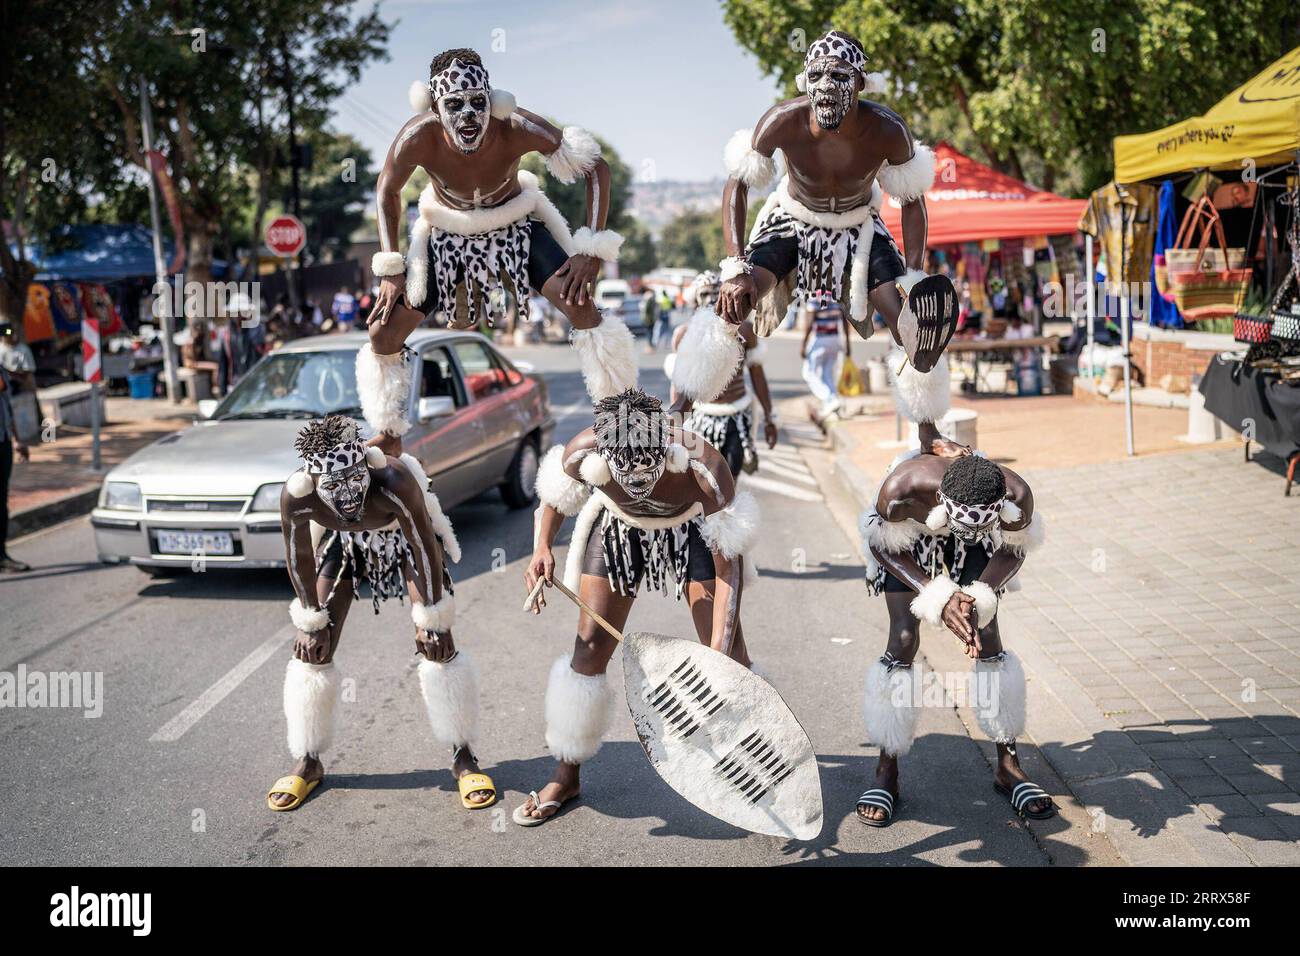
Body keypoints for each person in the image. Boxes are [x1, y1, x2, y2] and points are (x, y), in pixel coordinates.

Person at [698, 30, 960, 455]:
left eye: (839, 75)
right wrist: (735, 264)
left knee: (911, 323)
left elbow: (912, 199)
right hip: (793, 219)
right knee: (737, 299)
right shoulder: (782, 120)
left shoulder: (887, 129)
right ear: (805, 82)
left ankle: (929, 431)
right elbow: (738, 183)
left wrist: (913, 275)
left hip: (859, 225)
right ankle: (682, 403)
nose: (826, 86)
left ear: (860, 82)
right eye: (816, 75)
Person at [518, 387, 761, 825]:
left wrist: (721, 656)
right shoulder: (583, 452)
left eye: (645, 467)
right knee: (588, 649)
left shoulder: (702, 464)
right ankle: (567, 771)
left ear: (665, 450)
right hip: (618, 527)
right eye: (622, 468)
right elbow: (555, 498)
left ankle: (748, 767)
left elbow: (730, 567)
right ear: (603, 455)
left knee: (730, 656)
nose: (635, 479)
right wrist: (541, 548)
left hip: (691, 530)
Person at [370, 47, 636, 403]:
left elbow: (595, 167)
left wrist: (591, 248)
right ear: (434, 107)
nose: (468, 116)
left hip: (516, 227)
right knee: (383, 334)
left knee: (582, 307)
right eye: (454, 106)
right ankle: (390, 431)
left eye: (478, 103)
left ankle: (621, 408)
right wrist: (391, 267)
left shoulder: (516, 127)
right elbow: (387, 190)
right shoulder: (417, 137)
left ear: (493, 101)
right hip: (449, 234)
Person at [267, 415, 493, 812]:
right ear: (313, 484)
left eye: (356, 479)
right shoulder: (297, 496)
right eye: (334, 486)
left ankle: (463, 756)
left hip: (405, 540)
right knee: (310, 650)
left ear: (367, 466)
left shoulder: (394, 481)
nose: (350, 493)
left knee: (438, 643)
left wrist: (433, 617)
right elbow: (299, 554)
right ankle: (308, 759)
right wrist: (310, 618)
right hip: (344, 544)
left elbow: (422, 545)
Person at [856, 451, 1053, 826]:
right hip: (906, 534)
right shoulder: (902, 489)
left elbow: (1014, 548)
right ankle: (887, 770)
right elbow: (880, 544)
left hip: (978, 523)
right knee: (901, 637)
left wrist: (979, 595)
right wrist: (938, 596)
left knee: (989, 631)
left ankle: (1008, 766)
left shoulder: (1017, 496)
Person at [670, 271, 777, 477]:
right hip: (701, 417)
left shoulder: (745, 331)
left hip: (737, 415)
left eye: (716, 293)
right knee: (702, 480)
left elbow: (757, 375)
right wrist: (677, 429)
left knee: (730, 475)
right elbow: (679, 385)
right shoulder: (683, 335)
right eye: (705, 294)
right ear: (694, 302)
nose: (711, 299)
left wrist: (770, 418)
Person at [0, 359, 31, 573]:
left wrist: (18, 440)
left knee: (1, 502)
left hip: (3, 442)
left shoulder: (1, 370)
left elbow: (7, 408)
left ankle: (1, 556)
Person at [800, 294, 850, 418]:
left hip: (820, 339)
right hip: (835, 339)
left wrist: (804, 344)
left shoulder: (815, 298)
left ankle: (830, 399)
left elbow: (810, 324)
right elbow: (844, 321)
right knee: (827, 373)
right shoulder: (837, 297)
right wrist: (847, 343)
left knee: (809, 373)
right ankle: (833, 404)